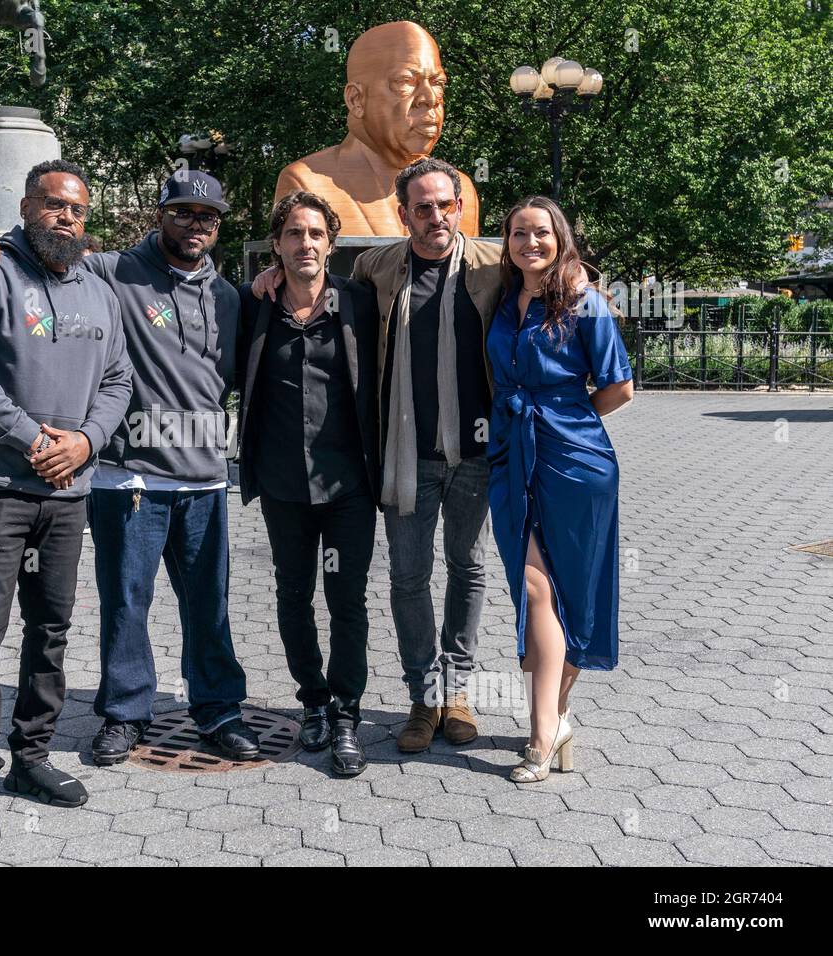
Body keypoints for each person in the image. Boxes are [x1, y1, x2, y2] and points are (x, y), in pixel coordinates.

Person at [0, 169, 259, 765]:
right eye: (182, 213)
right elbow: (43, 247)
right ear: (160, 215)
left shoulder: (229, 297)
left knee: (209, 604)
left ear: (219, 227)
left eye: (208, 218)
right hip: (129, 475)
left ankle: (218, 708)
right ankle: (125, 712)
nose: (195, 225)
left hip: (204, 475)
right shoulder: (110, 270)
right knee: (125, 603)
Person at [254, 157, 502, 753]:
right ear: (403, 212)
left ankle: (457, 690)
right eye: (422, 206)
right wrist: (272, 272)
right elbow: (315, 288)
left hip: (477, 452)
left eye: (446, 204)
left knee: (468, 570)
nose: (435, 215)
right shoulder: (377, 268)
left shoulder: (496, 267)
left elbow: (552, 274)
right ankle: (423, 695)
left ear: (460, 206)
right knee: (408, 578)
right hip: (405, 454)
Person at [0, 159, 133, 847]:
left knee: (51, 629)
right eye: (52, 205)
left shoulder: (98, 289)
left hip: (69, 492)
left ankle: (32, 757)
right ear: (25, 207)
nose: (65, 219)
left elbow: (119, 380)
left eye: (76, 209)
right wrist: (31, 441)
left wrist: (83, 443)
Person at [487, 196, 632, 783]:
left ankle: (544, 728)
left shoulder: (585, 303)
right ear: (508, 242)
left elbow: (619, 388)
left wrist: (565, 418)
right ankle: (555, 717)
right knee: (533, 587)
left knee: (566, 591)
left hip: (576, 462)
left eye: (541, 233)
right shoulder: (501, 298)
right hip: (509, 458)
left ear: (560, 237)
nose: (531, 243)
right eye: (519, 233)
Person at [237, 191, 379, 775]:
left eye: (316, 234)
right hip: (283, 485)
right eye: (294, 234)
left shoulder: (359, 304)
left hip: (348, 485)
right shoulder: (256, 307)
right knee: (293, 596)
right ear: (277, 244)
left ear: (331, 243)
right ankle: (312, 701)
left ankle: (347, 711)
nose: (305, 244)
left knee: (347, 599)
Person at [273, 21, 480, 237]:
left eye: (438, 83)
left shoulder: (460, 188)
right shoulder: (306, 182)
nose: (429, 98)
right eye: (406, 81)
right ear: (356, 100)